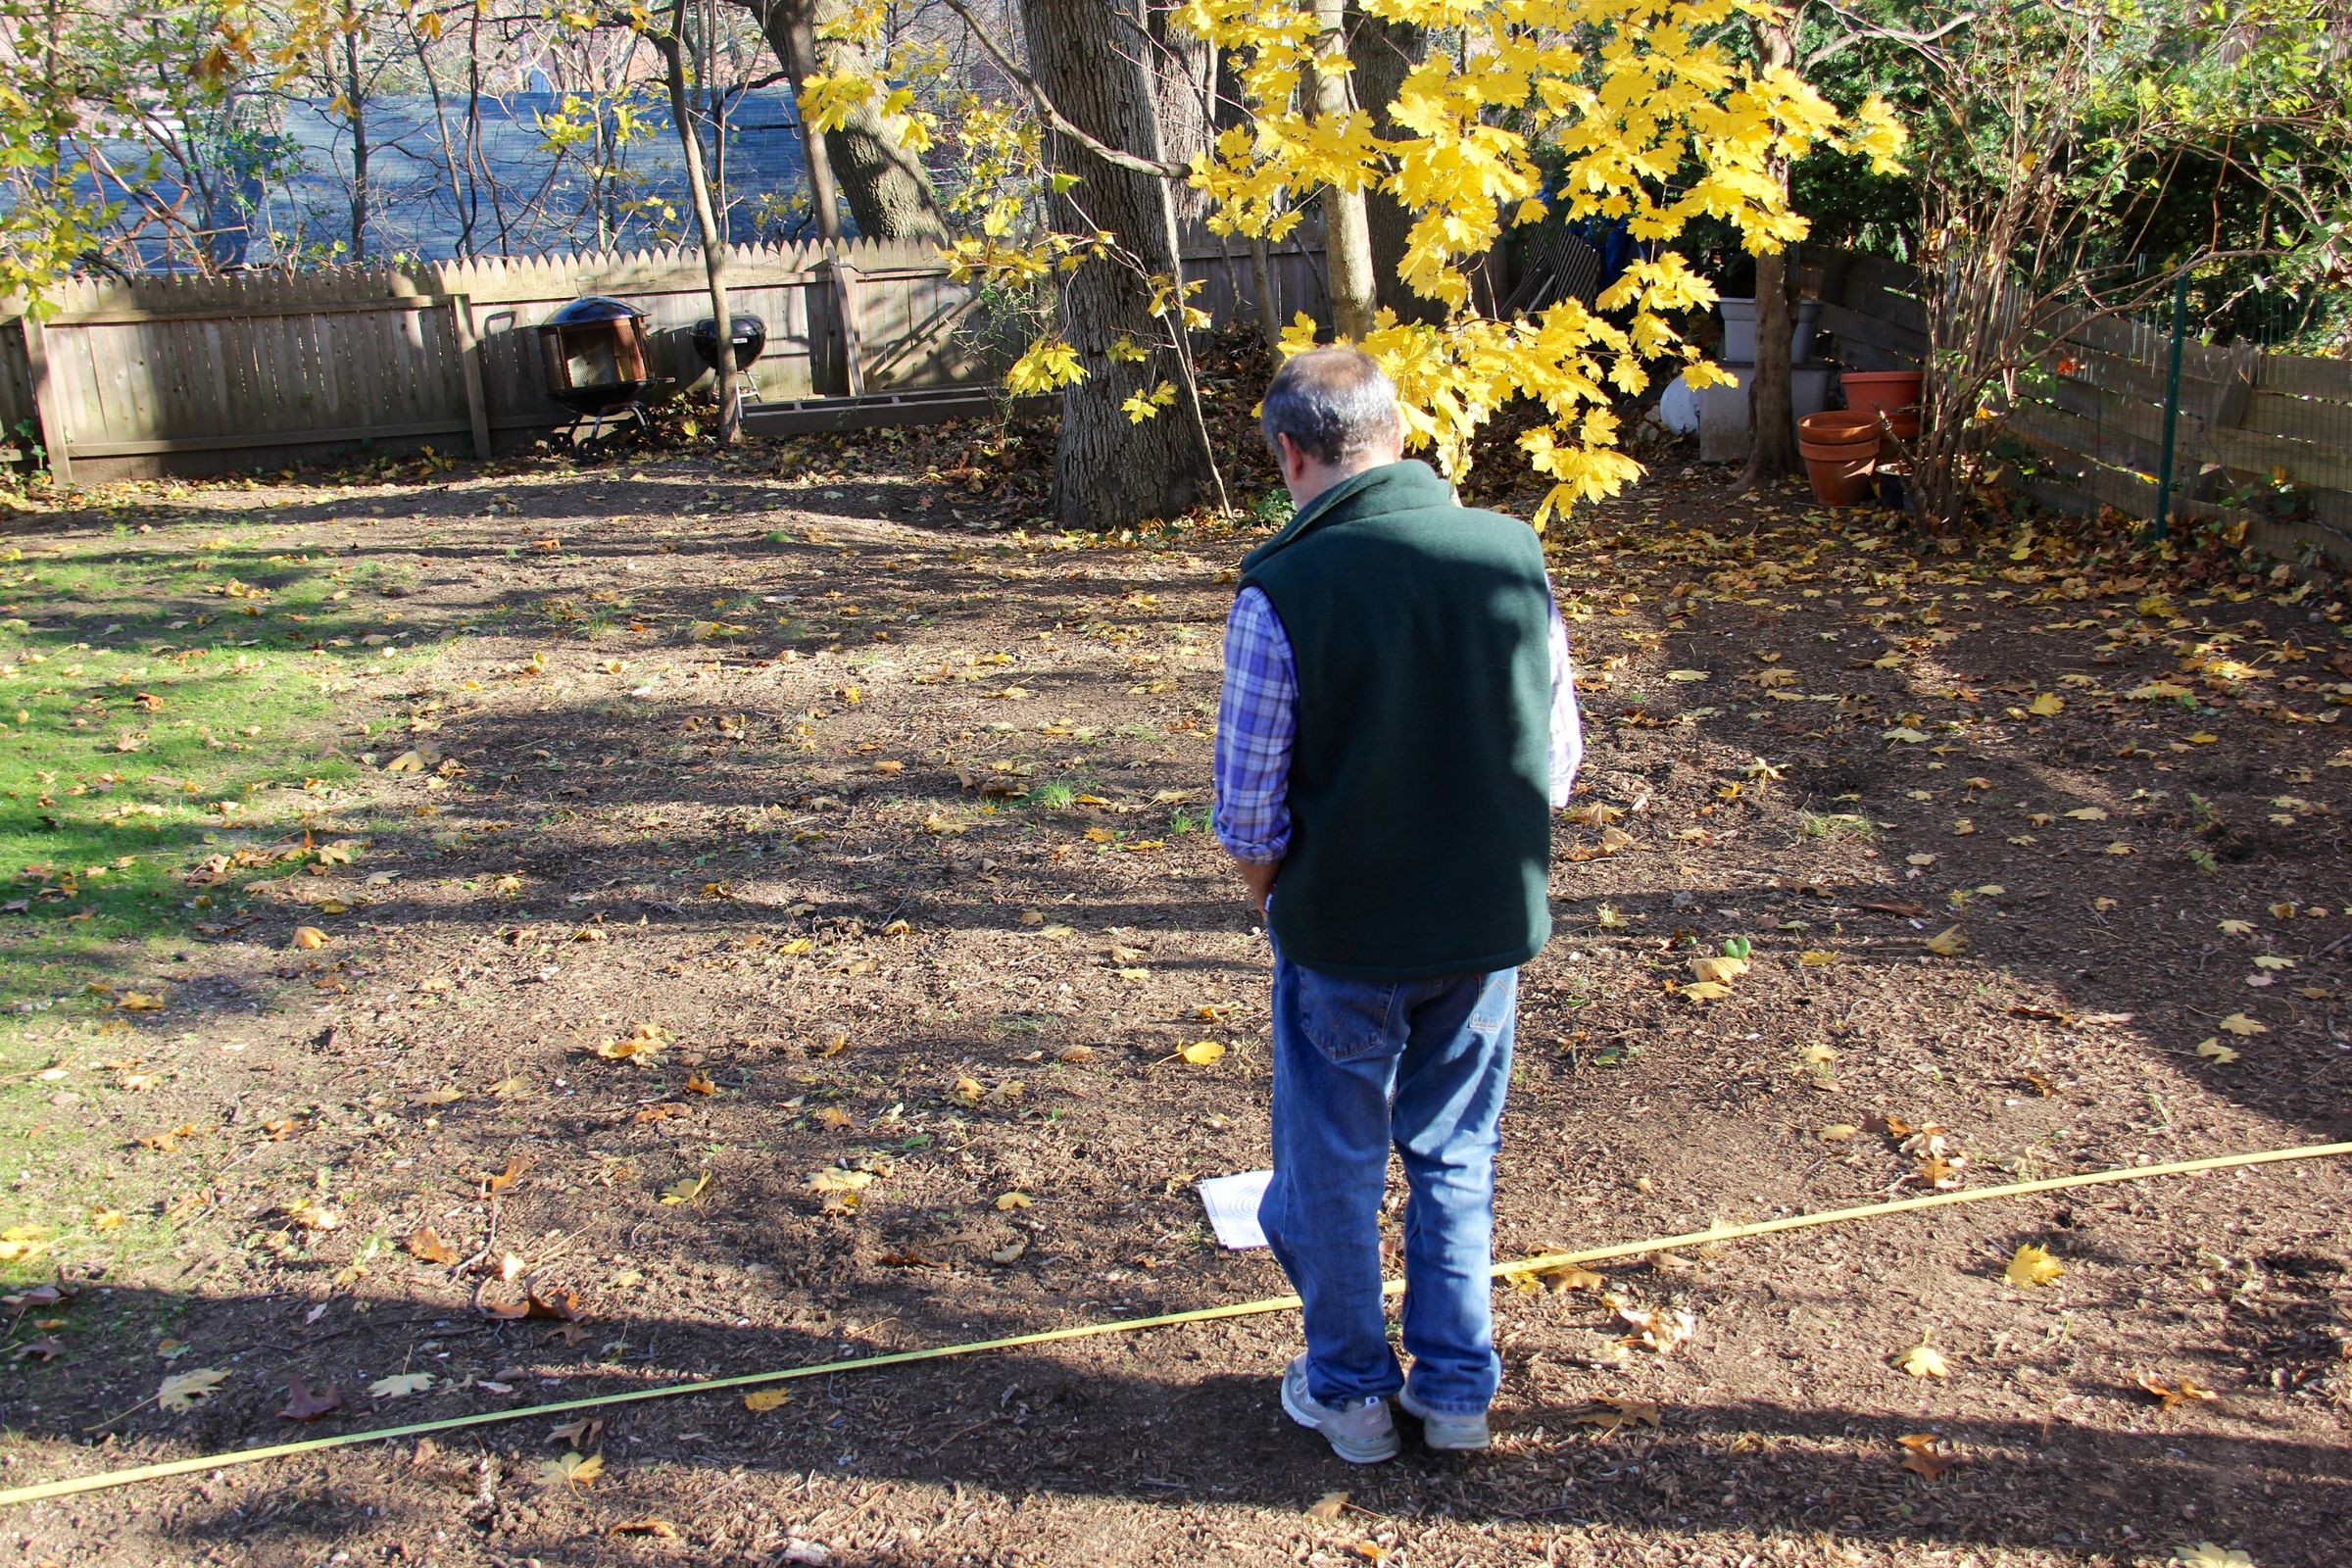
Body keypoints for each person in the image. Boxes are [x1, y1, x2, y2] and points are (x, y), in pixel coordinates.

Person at [1213, 347, 1582, 1463]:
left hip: (1344, 937)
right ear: (1397, 432)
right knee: (1455, 1153)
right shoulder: (1514, 552)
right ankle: (1459, 1391)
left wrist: (1281, 900)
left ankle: (1351, 1395)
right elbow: (1557, 760)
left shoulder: (1282, 586)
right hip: (1484, 930)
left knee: (1328, 1161)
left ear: (1288, 451)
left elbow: (1246, 813)